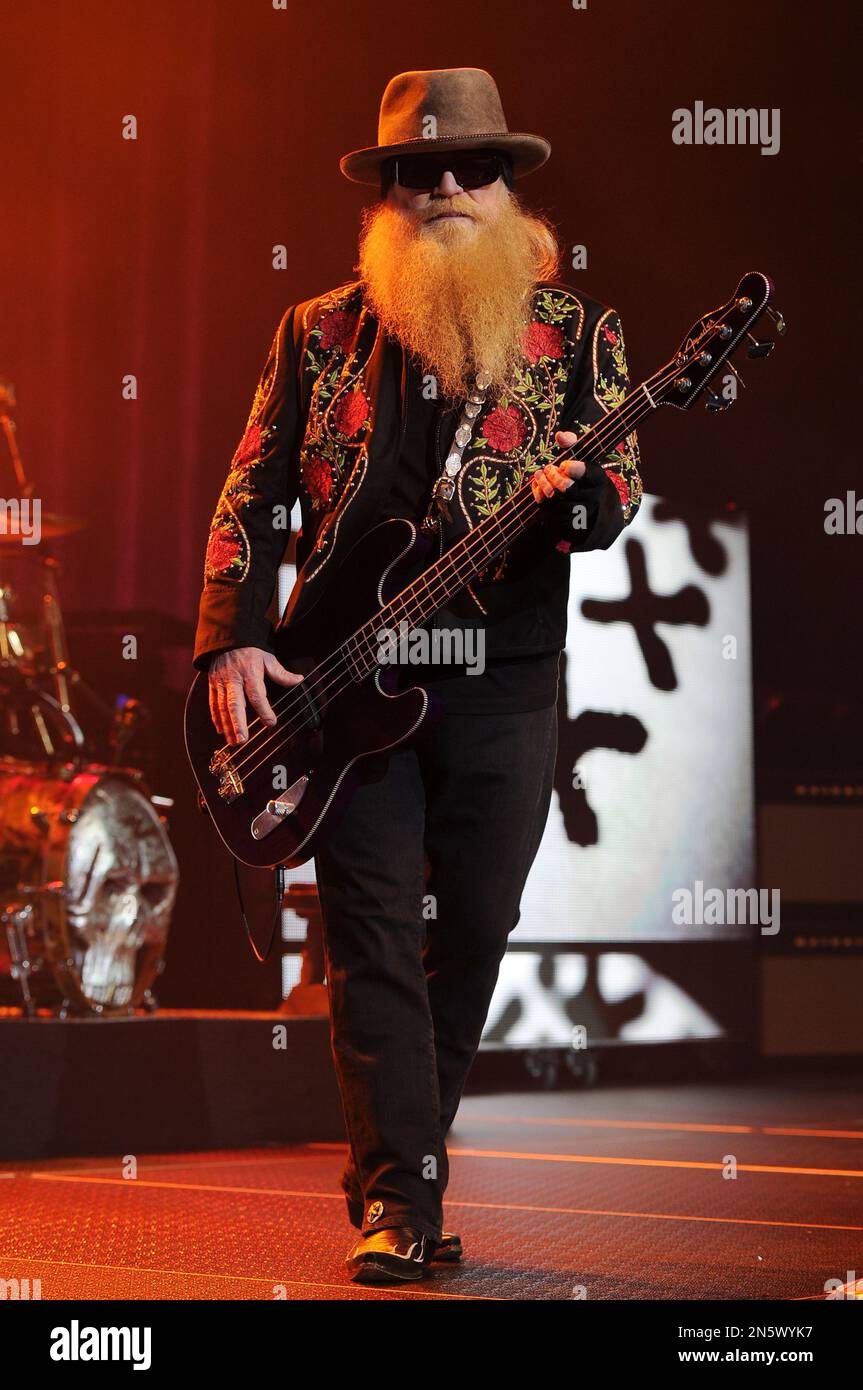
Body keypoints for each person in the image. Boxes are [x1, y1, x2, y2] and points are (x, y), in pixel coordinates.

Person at [194, 67, 643, 1284]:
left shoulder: (578, 333)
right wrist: (235, 630)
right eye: (416, 170)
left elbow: (619, 490)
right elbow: (255, 484)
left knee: (475, 930)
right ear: (386, 192)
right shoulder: (317, 329)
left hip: (501, 679)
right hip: (341, 686)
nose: (443, 185)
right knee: (374, 934)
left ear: (509, 187)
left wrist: (581, 500)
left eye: (471, 166)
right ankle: (402, 1202)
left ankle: (399, 1163)